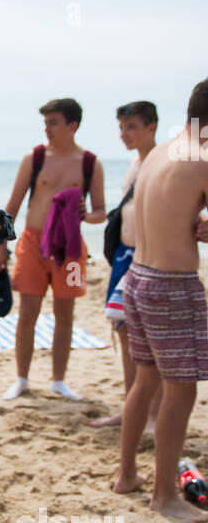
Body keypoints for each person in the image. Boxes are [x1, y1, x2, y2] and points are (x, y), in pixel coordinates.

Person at [113, 79, 208, 521]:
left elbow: (171, 210)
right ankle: (164, 496)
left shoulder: (160, 152)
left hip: (137, 277)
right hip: (172, 286)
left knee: (145, 381)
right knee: (180, 392)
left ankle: (126, 474)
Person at [0, 99, 105, 401]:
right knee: (27, 313)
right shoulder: (35, 157)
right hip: (32, 243)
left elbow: (101, 212)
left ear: (73, 125)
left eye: (53, 122)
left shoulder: (90, 163)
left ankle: (59, 380)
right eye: (45, 123)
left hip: (69, 249)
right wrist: (1, 246)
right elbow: (13, 206)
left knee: (65, 315)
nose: (47, 129)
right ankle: (22, 379)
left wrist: (86, 214)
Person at [90, 102, 160, 429]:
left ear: (152, 126)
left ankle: (152, 414)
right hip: (123, 257)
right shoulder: (134, 163)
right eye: (121, 127)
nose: (124, 134)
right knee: (123, 332)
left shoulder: (164, 163)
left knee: (149, 340)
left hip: (150, 257)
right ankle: (130, 408)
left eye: (131, 126)